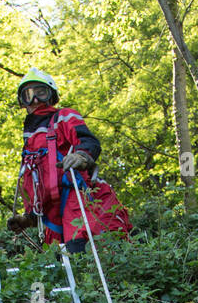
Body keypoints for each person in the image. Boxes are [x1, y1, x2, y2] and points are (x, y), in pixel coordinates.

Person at [7, 69, 131, 252]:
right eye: (28, 95)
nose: (34, 100)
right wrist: (30, 217)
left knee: (80, 247)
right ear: (22, 102)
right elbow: (37, 185)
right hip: (52, 215)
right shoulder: (29, 143)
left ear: (51, 95)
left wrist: (81, 155)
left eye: (40, 92)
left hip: (75, 196)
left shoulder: (63, 117)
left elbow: (87, 140)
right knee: (58, 261)